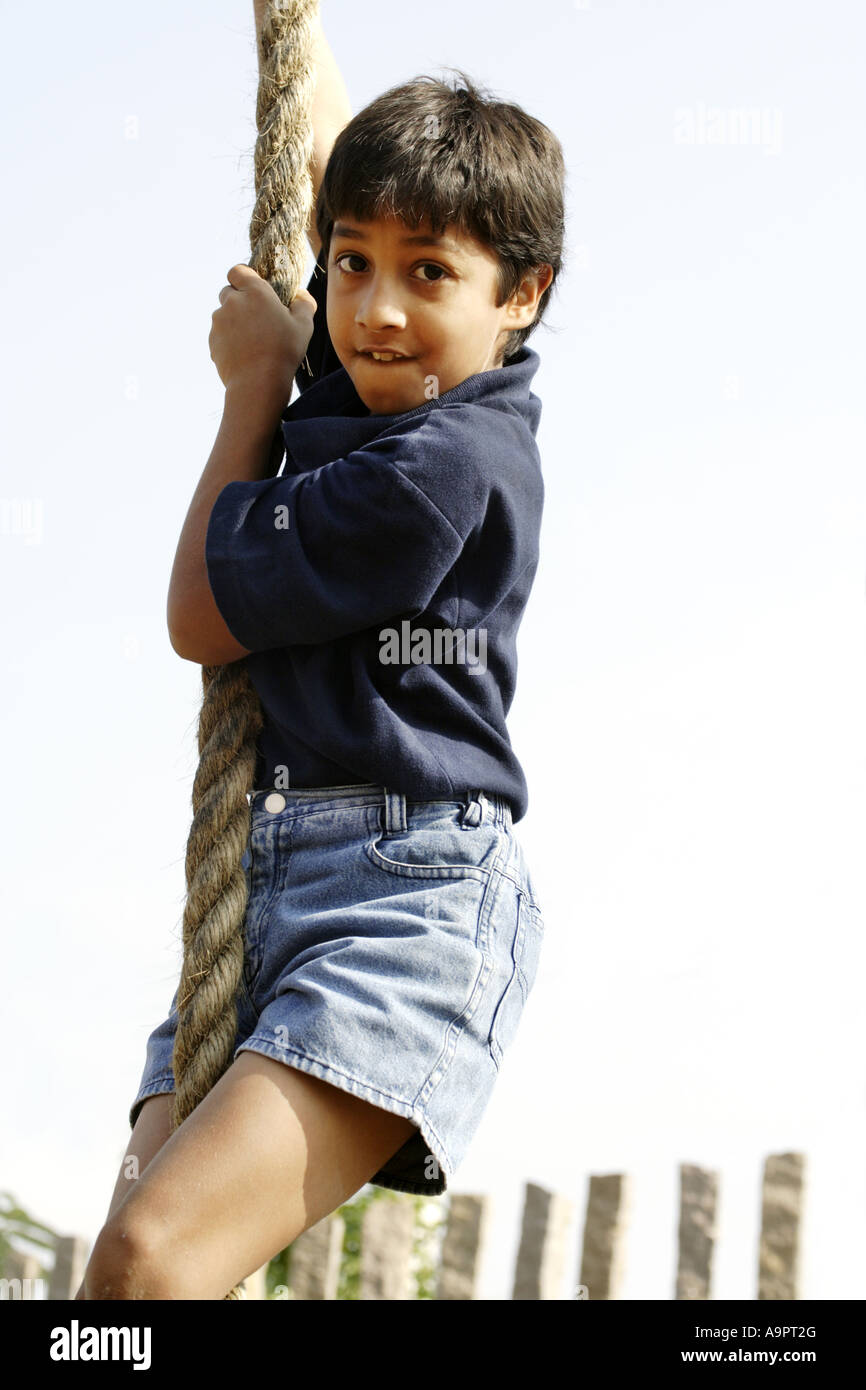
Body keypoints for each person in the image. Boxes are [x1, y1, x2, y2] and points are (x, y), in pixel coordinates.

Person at [77, 6, 566, 1299]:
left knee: (147, 1265)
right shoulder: (381, 399)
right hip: (278, 862)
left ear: (523, 296)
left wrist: (251, 391)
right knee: (107, 1295)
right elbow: (338, 185)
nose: (376, 310)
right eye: (348, 264)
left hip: (400, 899)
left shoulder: (442, 463)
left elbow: (198, 620)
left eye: (429, 274)